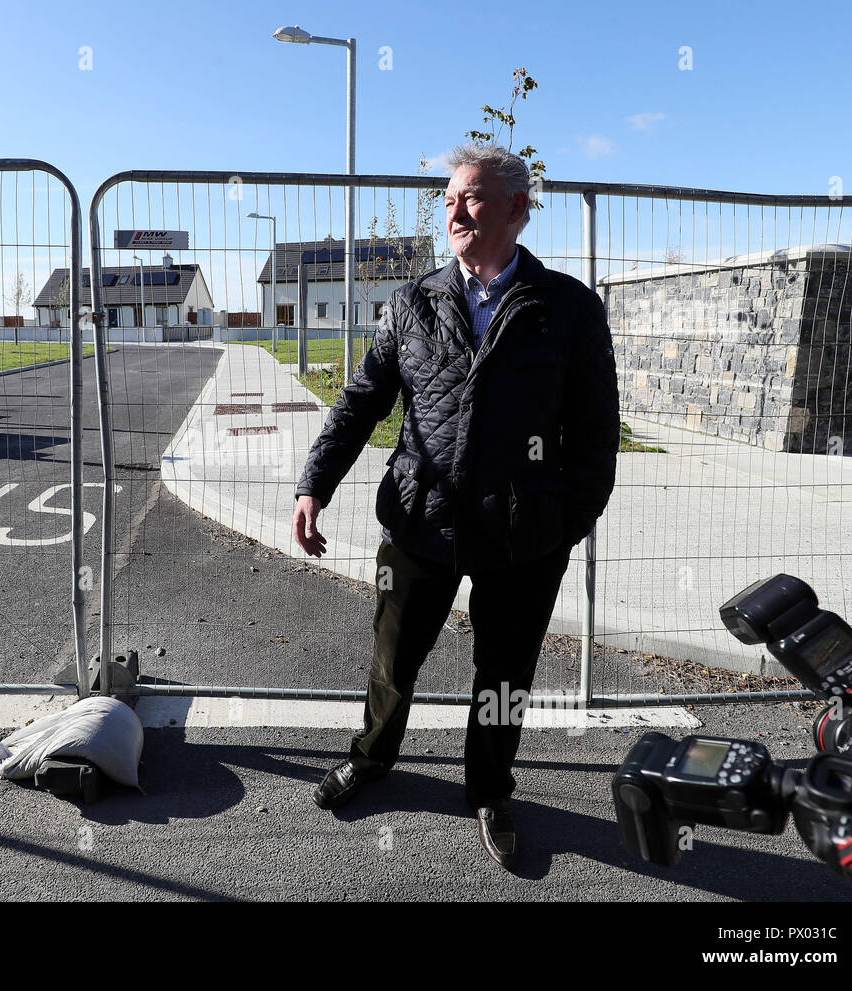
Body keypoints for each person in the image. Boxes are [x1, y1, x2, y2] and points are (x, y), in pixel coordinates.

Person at [291, 143, 620, 868]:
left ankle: (490, 790)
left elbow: (597, 438)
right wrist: (314, 482)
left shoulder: (567, 308)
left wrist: (565, 523)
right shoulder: (412, 303)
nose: (456, 212)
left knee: (503, 678)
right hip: (418, 523)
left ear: (516, 209)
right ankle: (373, 758)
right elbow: (359, 402)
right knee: (393, 657)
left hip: (523, 535)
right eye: (448, 201)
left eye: (471, 198)